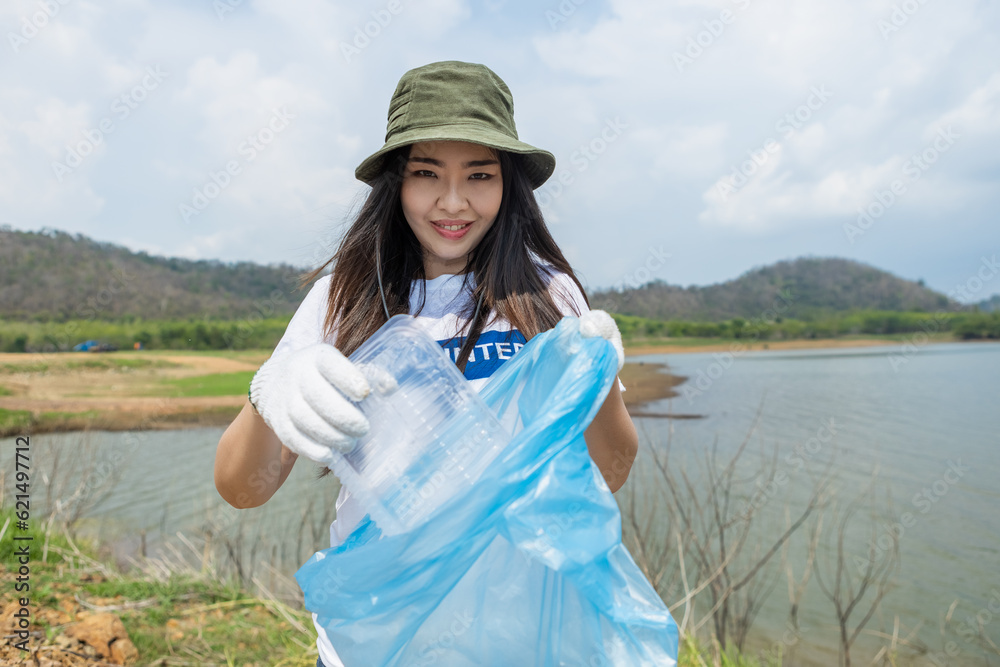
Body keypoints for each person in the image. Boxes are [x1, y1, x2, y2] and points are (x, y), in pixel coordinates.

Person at [213, 60, 638, 667]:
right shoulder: (344, 297)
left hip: (516, 635)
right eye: (426, 173)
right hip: (377, 639)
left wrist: (599, 382)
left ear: (508, 184)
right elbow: (242, 489)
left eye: (480, 175)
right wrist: (270, 395)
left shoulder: (550, 295)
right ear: (396, 182)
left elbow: (612, 471)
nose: (453, 201)